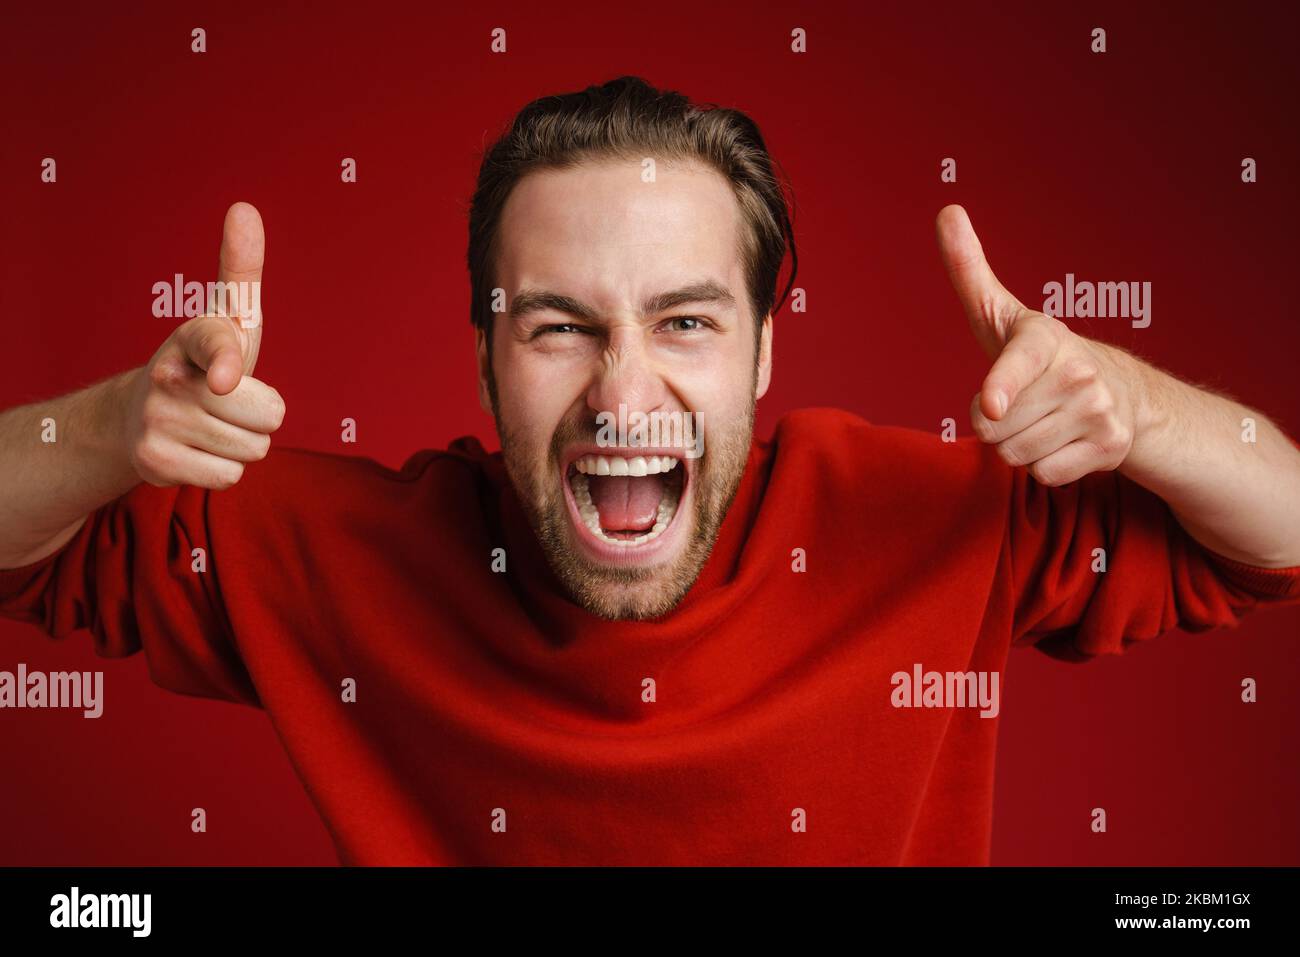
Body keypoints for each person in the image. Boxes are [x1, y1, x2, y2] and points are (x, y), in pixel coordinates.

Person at [2, 76, 1298, 865]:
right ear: (486, 352)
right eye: (559, 325)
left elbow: (1279, 527)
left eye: (685, 321)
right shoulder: (342, 560)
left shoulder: (925, 518)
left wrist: (1140, 407)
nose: (623, 393)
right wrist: (109, 429)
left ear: (763, 349)